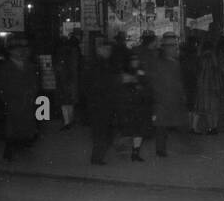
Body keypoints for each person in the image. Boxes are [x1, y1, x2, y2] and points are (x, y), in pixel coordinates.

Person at [0, 33, 40, 161]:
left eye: (23, 49)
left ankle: (22, 148)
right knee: (12, 128)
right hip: (13, 102)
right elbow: (0, 86)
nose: (21, 52)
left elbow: (35, 83)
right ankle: (9, 151)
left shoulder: (30, 66)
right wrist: (6, 99)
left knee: (25, 127)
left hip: (27, 101)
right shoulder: (5, 67)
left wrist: (33, 94)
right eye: (17, 50)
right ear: (11, 52)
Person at [148, 32, 190, 157]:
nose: (174, 49)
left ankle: (165, 148)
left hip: (169, 98)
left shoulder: (173, 62)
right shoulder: (161, 63)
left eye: (175, 46)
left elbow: (177, 81)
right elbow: (156, 81)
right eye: (172, 46)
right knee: (163, 125)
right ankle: (162, 149)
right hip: (163, 99)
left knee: (166, 124)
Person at [83, 35, 121, 165]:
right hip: (99, 104)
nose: (108, 52)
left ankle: (97, 157)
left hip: (102, 103)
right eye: (106, 49)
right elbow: (99, 83)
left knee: (103, 132)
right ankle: (97, 157)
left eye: (109, 50)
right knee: (101, 132)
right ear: (100, 50)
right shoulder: (97, 65)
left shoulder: (103, 63)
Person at [116, 50, 153, 162]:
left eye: (136, 59)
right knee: (129, 131)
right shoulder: (126, 73)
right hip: (129, 106)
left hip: (140, 106)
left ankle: (135, 153)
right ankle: (122, 148)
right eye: (133, 60)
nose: (135, 62)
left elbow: (147, 88)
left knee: (139, 131)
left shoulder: (142, 72)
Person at [195, 37, 223, 135]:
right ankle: (214, 127)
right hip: (215, 85)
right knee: (215, 107)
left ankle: (210, 127)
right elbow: (218, 71)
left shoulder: (202, 58)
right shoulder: (215, 58)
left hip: (204, 85)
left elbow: (199, 71)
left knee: (207, 108)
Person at [55, 31, 82, 131]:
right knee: (69, 101)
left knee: (64, 102)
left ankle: (68, 121)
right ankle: (70, 120)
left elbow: (61, 67)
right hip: (71, 80)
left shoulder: (62, 53)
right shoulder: (74, 51)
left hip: (64, 79)